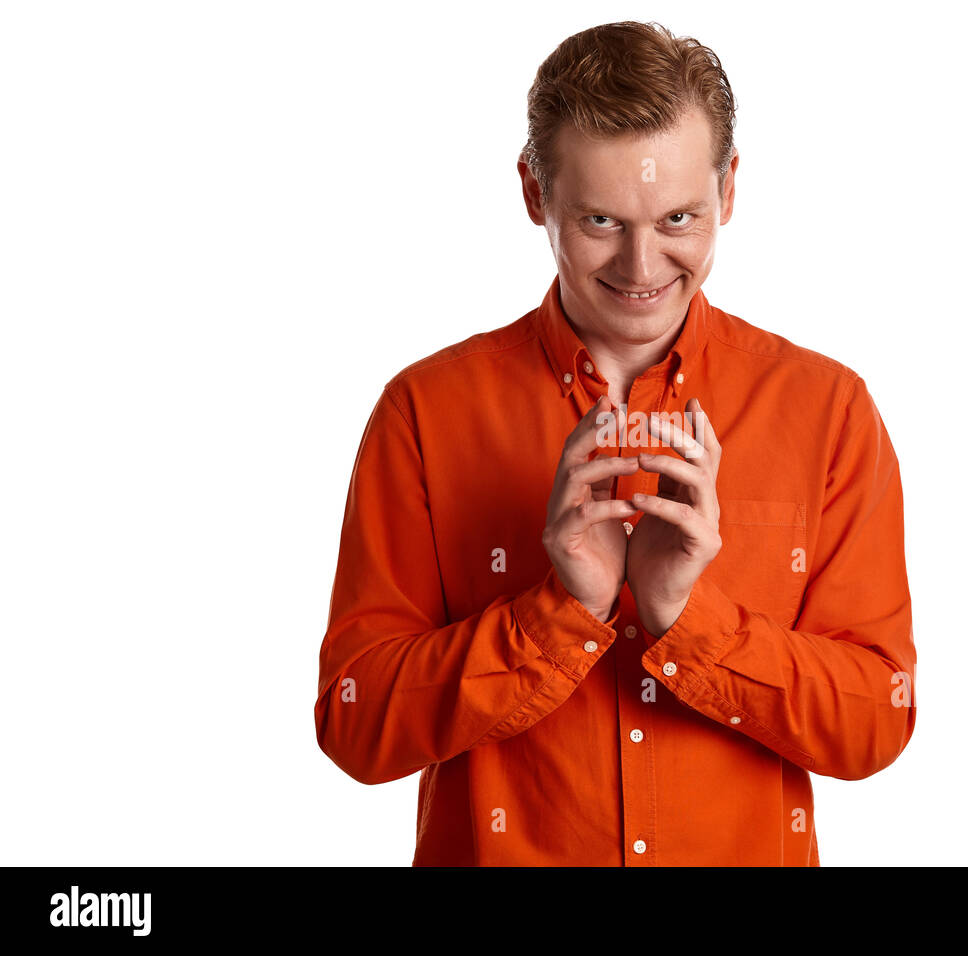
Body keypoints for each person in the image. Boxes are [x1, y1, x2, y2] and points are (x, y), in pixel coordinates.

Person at [314, 19, 916, 866]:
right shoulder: (423, 412)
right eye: (600, 219)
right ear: (534, 194)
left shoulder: (830, 410)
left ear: (729, 190)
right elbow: (355, 724)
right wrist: (560, 612)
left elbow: (877, 724)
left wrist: (688, 619)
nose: (642, 267)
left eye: (678, 217)